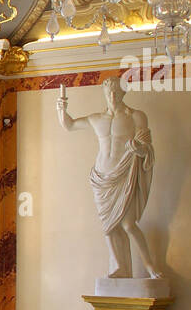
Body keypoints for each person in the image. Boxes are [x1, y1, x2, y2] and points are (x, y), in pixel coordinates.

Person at [57, 77, 162, 279]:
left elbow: (147, 149)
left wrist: (138, 148)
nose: (112, 96)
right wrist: (61, 108)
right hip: (102, 177)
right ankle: (120, 268)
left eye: (116, 92)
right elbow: (69, 125)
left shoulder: (136, 116)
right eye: (109, 93)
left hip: (124, 173)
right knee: (109, 227)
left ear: (123, 93)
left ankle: (150, 266)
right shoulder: (96, 118)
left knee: (128, 224)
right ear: (105, 94)